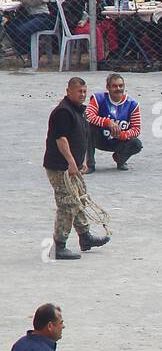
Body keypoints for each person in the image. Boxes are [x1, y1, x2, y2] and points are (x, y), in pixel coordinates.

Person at [44, 77, 109, 261]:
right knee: (67, 204)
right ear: (68, 91)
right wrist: (71, 163)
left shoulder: (79, 111)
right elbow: (61, 140)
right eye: (78, 91)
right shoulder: (63, 112)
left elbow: (83, 136)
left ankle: (85, 237)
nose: (82, 95)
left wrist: (83, 161)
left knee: (79, 199)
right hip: (60, 167)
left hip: (73, 165)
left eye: (84, 91)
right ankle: (58, 246)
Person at [84, 73, 143, 173]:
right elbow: (88, 115)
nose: (118, 88)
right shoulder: (98, 99)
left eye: (121, 86)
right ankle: (90, 165)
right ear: (108, 87)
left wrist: (123, 135)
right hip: (99, 138)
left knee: (136, 144)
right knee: (87, 128)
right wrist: (108, 123)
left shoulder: (132, 104)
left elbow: (136, 129)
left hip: (119, 141)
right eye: (114, 86)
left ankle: (120, 158)